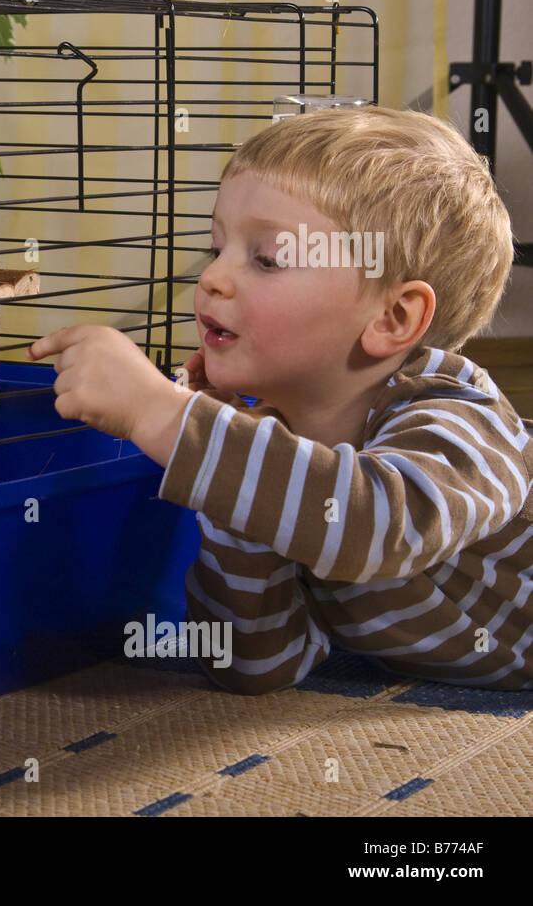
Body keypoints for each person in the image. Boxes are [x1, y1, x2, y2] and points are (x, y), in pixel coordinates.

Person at [26, 106, 533, 693]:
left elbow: (375, 528)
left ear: (393, 317)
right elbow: (255, 664)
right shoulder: (278, 452)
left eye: (267, 259)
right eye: (217, 248)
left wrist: (164, 416)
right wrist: (231, 455)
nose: (213, 278)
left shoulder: (464, 420)